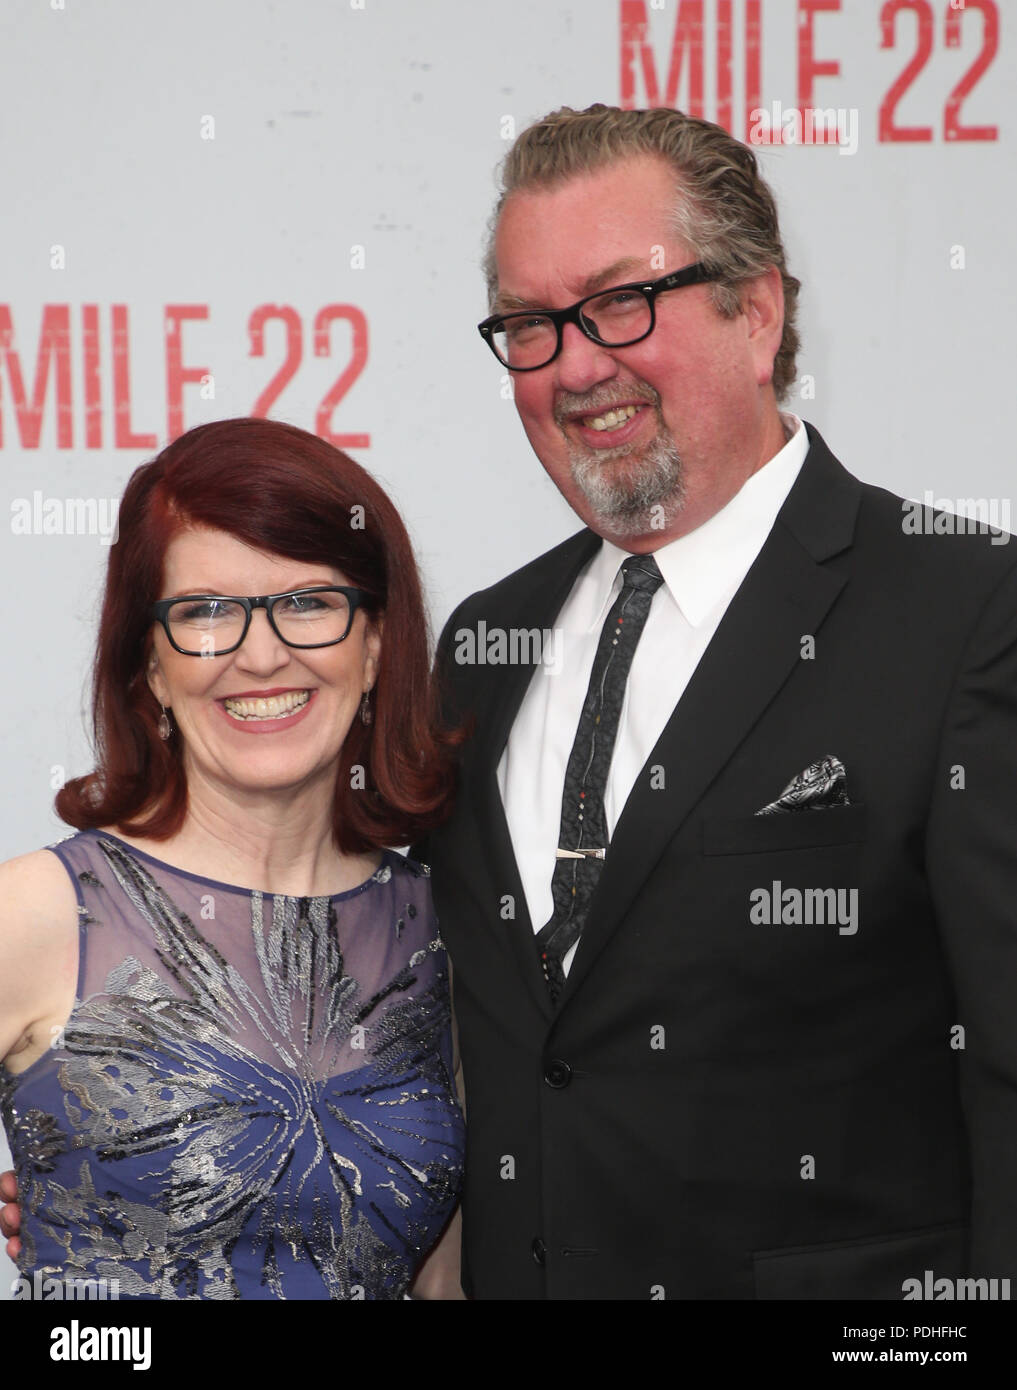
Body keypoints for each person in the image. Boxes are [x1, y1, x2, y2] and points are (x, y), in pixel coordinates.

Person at [413, 104, 1017, 1299]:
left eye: (621, 303)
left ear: (759, 311)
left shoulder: (968, 611)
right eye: (532, 325)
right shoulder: (485, 641)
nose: (578, 366)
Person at [0, 417, 465, 1300]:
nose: (260, 655)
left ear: (374, 646)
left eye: (307, 603)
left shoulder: (447, 935)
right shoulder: (35, 914)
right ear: (151, 664)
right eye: (205, 612)